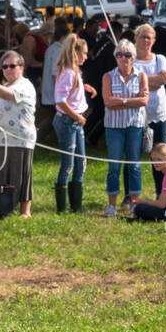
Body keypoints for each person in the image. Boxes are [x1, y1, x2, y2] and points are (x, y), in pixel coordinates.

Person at [0, 51, 37, 216]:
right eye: (5, 66)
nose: (8, 69)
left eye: (12, 66)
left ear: (22, 68)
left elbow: (8, 96)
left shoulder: (25, 85)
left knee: (21, 175)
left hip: (18, 140)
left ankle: (25, 211)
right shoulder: (5, 85)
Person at [102, 40, 148, 215]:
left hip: (134, 126)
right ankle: (112, 205)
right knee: (114, 165)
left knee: (134, 165)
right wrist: (131, 101)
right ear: (115, 58)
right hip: (114, 127)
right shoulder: (108, 76)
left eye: (127, 55)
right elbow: (108, 102)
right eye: (119, 55)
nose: (123, 58)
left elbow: (144, 101)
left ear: (133, 58)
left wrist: (120, 101)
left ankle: (135, 204)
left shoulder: (141, 75)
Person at [133, 24, 166, 196]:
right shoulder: (130, 59)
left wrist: (141, 81)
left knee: (160, 156)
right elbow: (130, 82)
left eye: (149, 37)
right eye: (143, 36)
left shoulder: (160, 59)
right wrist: (151, 82)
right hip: (136, 114)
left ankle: (161, 192)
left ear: (154, 41)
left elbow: (163, 78)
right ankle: (131, 193)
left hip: (159, 114)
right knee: (133, 156)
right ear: (136, 38)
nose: (146, 40)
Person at [53, 33, 89, 213]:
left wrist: (85, 87)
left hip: (75, 121)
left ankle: (77, 205)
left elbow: (71, 93)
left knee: (81, 161)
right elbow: (60, 100)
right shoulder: (68, 73)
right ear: (76, 53)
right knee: (68, 163)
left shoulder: (75, 72)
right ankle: (62, 207)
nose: (86, 57)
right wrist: (77, 116)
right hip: (68, 121)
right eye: (84, 53)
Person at [38, 20, 69, 142]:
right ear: (64, 38)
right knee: (54, 117)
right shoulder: (59, 50)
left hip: (51, 89)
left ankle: (40, 136)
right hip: (54, 89)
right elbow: (55, 74)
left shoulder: (51, 48)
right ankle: (37, 136)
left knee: (54, 116)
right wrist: (59, 94)